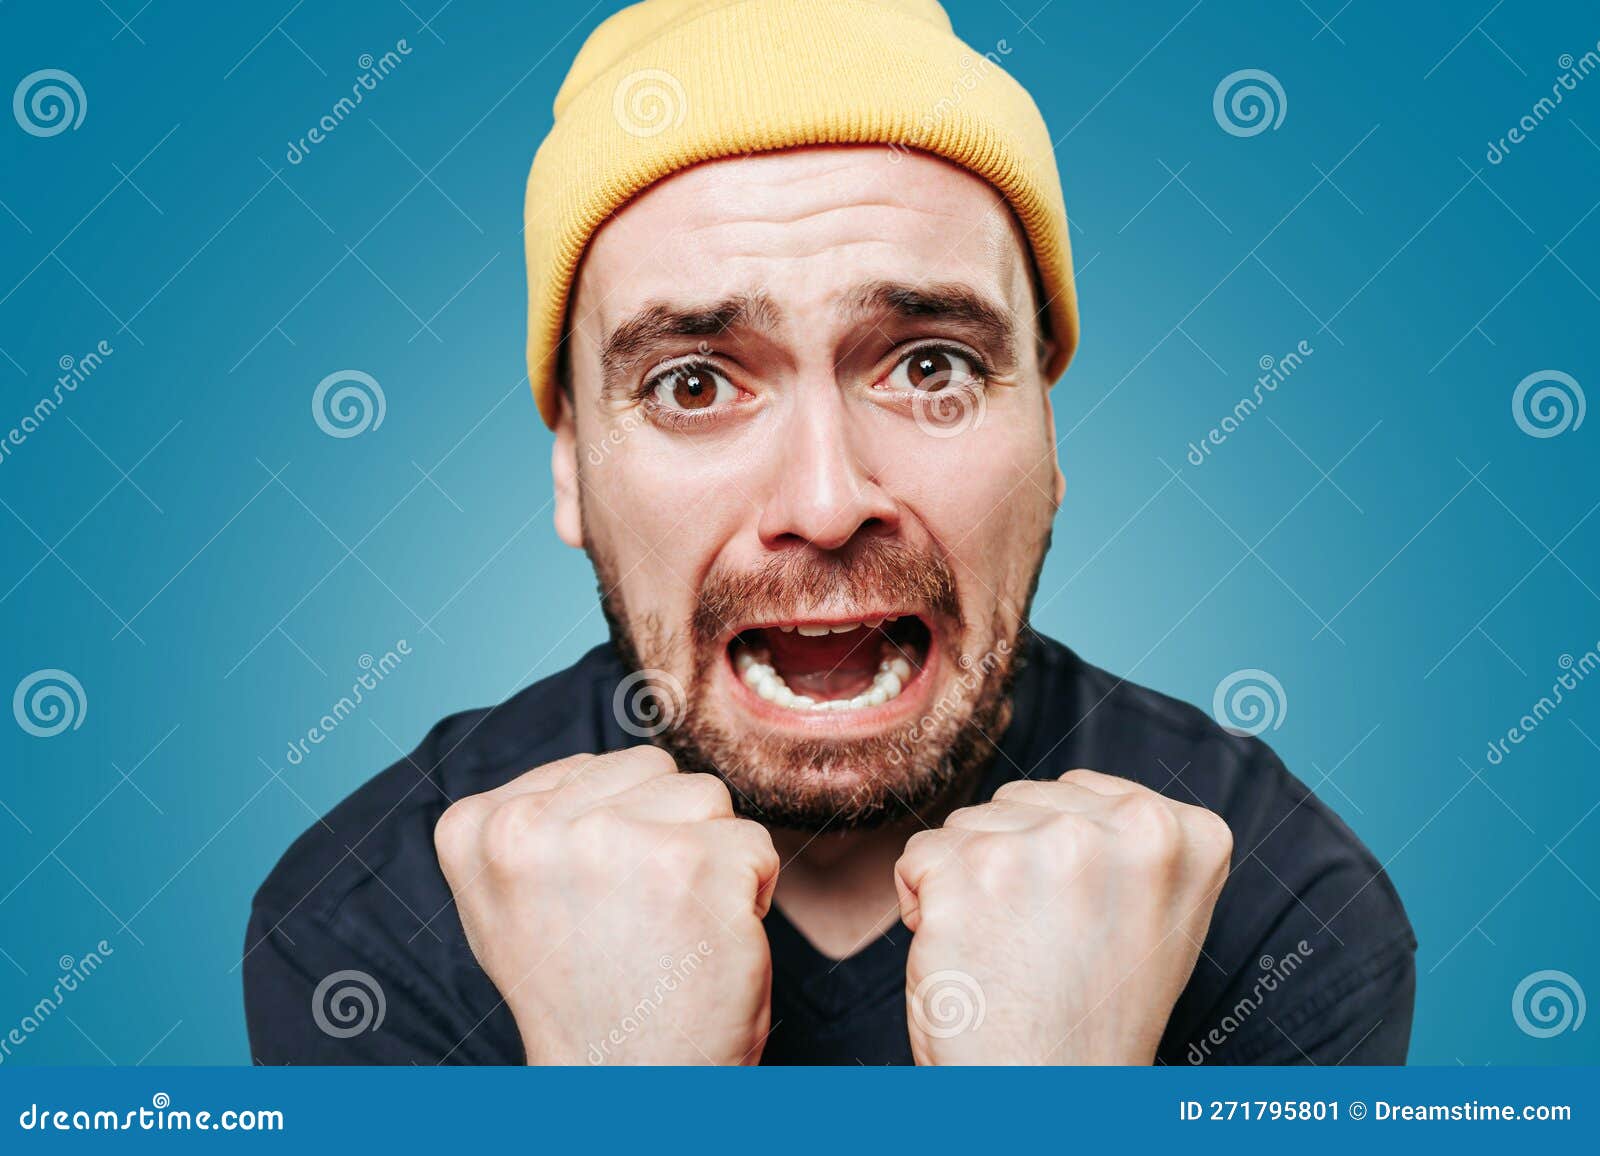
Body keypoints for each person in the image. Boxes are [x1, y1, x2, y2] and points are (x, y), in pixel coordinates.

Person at [244, 0, 1414, 1065]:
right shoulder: (365, 924)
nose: (823, 499)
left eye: (929, 366)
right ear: (570, 469)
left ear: (1048, 439)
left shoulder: (1275, 910)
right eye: (693, 384)